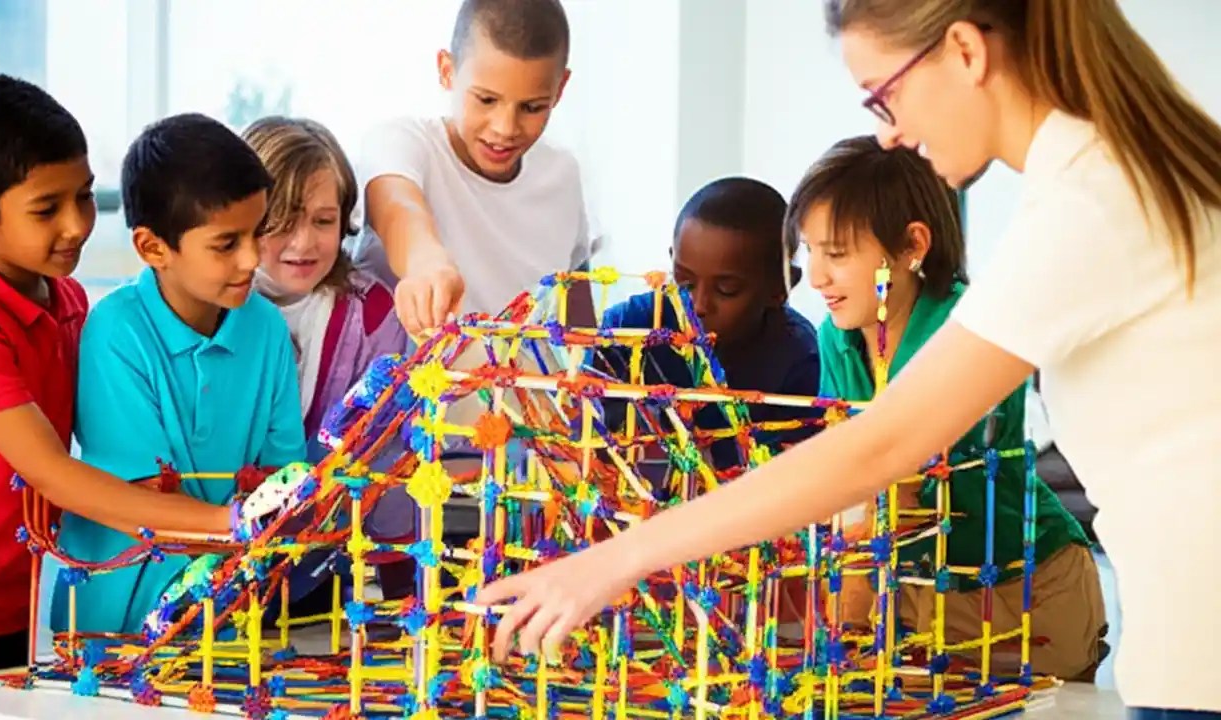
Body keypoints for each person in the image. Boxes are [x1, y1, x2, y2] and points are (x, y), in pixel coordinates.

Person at [477, 2, 1221, 716]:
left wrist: (614, 562)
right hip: (1178, 645)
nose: (892, 135)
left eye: (884, 96)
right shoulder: (1109, 176)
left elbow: (880, 447)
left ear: (964, 52)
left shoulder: (1091, 201)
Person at [0, 76, 229, 678]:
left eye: (85, 196)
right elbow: (54, 473)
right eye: (46, 208)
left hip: (17, 606)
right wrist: (226, 524)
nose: (76, 224)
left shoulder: (69, 299)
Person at [795, 135, 1101, 679]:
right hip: (918, 592)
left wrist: (843, 600)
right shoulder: (834, 337)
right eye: (809, 251)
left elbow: (901, 484)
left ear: (913, 246)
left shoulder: (973, 325)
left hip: (1028, 590)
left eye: (836, 254)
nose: (815, 276)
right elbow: (840, 470)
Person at [50, 114, 306, 635]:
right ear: (152, 248)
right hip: (110, 620)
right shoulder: (115, 331)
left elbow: (286, 477)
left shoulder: (268, 330)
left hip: (226, 619)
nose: (253, 259)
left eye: (257, 233)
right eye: (226, 243)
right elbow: (143, 495)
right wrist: (242, 521)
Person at [242, 115, 414, 613]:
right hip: (212, 563)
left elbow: (387, 456)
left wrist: (402, 584)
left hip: (319, 579)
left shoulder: (375, 314)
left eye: (323, 220)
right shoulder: (211, 307)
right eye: (283, 220)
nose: (304, 242)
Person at [359, 0, 601, 335]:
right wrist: (426, 265)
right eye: (486, 100)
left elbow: (580, 332)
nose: (505, 128)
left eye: (532, 107)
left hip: (524, 386)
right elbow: (398, 207)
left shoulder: (563, 173)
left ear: (559, 89)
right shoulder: (402, 142)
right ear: (446, 70)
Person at [595, 177, 820, 474]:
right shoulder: (627, 329)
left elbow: (790, 483)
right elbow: (590, 447)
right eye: (684, 283)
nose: (699, 305)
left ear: (780, 288)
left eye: (726, 290)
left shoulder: (798, 358)